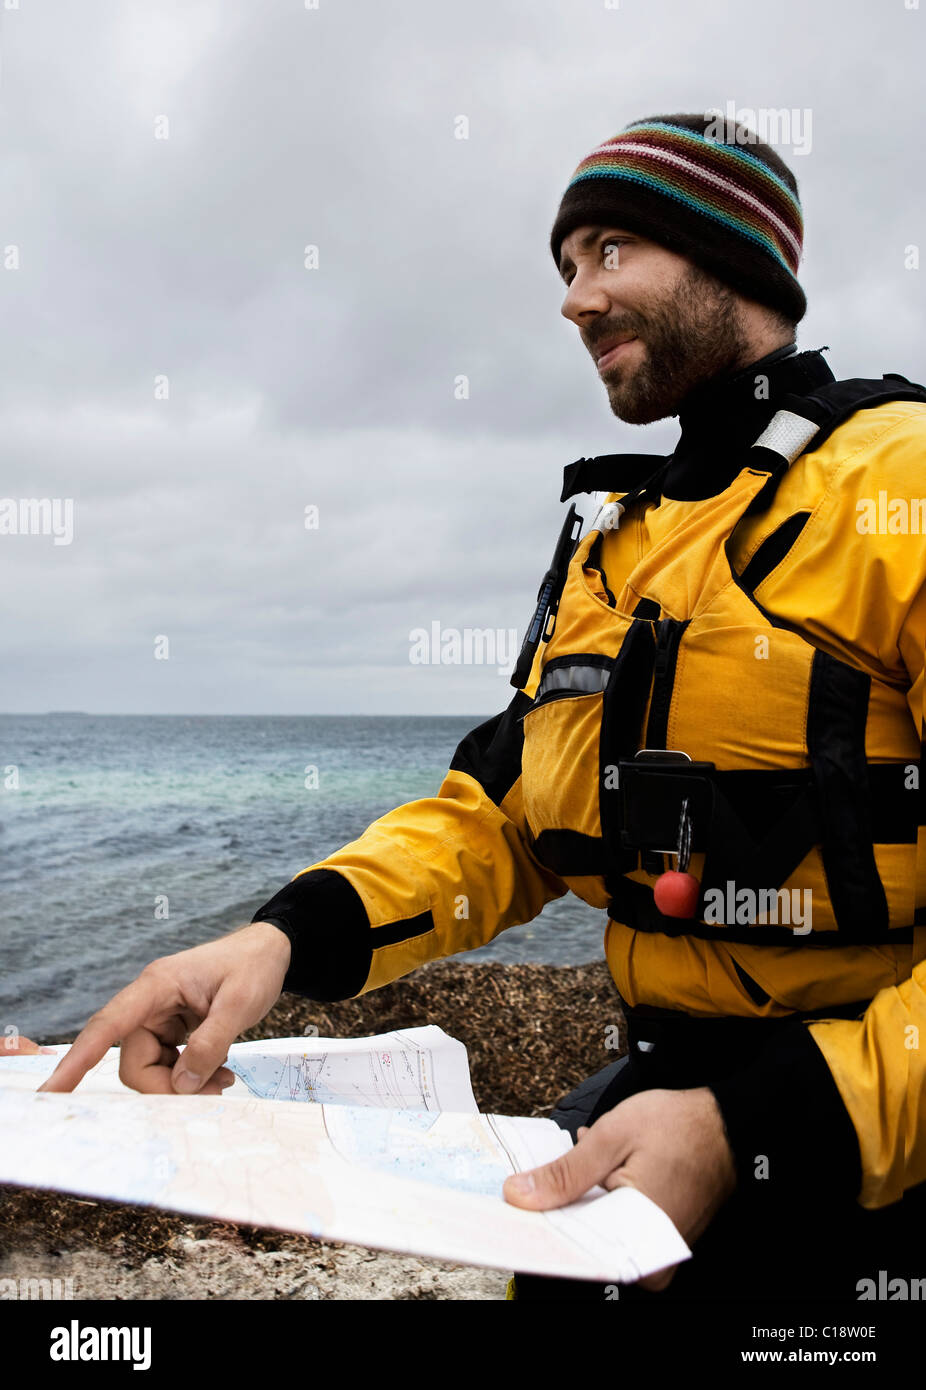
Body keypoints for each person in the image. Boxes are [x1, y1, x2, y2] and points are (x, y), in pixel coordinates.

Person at [41, 112, 926, 1302]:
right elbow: (496, 821)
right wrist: (276, 938)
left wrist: (750, 1129)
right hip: (639, 1122)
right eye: (565, 268)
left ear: (732, 257)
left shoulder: (898, 482)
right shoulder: (615, 541)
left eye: (608, 251)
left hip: (863, 1159)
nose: (573, 299)